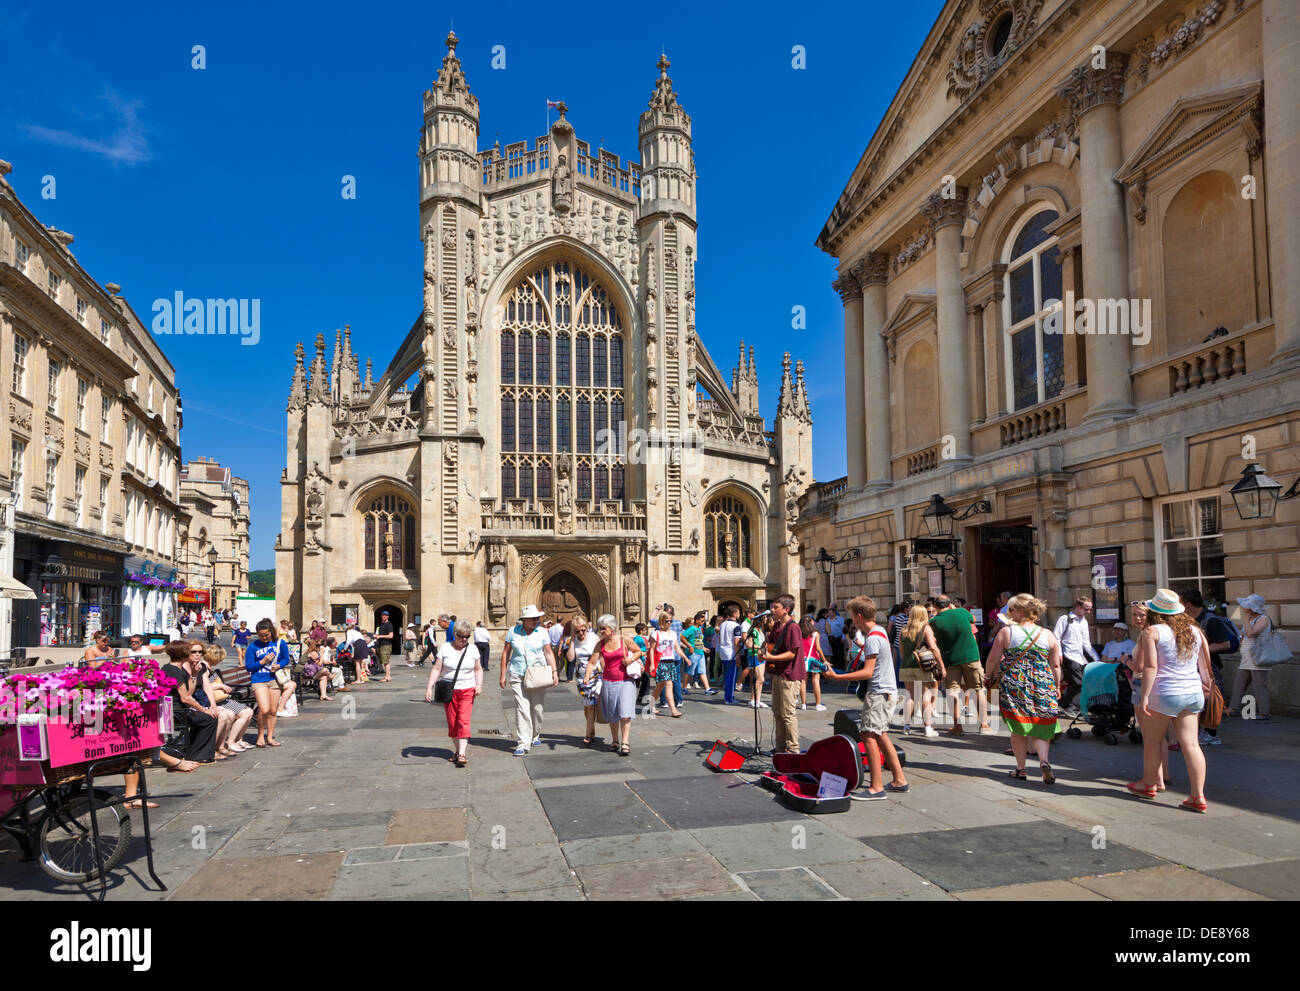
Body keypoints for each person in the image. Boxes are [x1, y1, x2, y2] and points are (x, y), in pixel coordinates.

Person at [1128, 589, 1212, 812]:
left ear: (1155, 611)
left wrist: (1144, 695)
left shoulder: (1152, 632)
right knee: (1191, 744)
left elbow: (1150, 667)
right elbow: (1205, 663)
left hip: (1165, 692)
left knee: (1153, 741)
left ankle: (1148, 784)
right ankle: (1198, 796)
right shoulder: (1194, 630)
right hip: (1192, 692)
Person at [822, 596, 908, 798]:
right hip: (886, 691)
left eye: (852, 617)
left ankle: (876, 787)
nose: (852, 621)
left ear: (859, 616)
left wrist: (839, 676)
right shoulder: (880, 632)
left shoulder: (873, 638)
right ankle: (899, 780)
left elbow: (868, 672)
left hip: (879, 692)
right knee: (880, 734)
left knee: (868, 735)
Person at [984, 595, 1062, 784]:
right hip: (1043, 684)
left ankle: (1021, 769)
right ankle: (1044, 761)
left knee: (1018, 726)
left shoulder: (1006, 633)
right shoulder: (1048, 634)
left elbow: (993, 659)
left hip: (1015, 683)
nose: (1009, 614)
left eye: (1011, 610)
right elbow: (1056, 665)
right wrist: (1057, 685)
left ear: (1020, 612)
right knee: (1041, 724)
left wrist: (987, 676)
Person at [500, 605, 559, 756]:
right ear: (524, 620)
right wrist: (502, 674)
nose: (536, 621)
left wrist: (554, 671)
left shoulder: (542, 632)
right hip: (517, 673)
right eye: (533, 618)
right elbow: (506, 653)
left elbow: (548, 652)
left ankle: (535, 734)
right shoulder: (513, 632)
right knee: (522, 707)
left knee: (537, 708)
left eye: (537, 618)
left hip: (536, 674)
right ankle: (523, 743)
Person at [929, 594, 991, 734]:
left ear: (936, 607)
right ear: (949, 604)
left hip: (950, 660)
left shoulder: (934, 621)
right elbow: (973, 619)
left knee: (952, 691)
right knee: (978, 689)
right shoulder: (962, 612)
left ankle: (957, 726)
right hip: (971, 657)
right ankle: (984, 724)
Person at [426, 618, 482, 767]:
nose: (464, 639)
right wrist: (429, 687)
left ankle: (462, 753)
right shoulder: (445, 648)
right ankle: (457, 751)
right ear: (454, 633)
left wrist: (479, 685)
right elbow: (437, 669)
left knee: (463, 720)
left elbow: (478, 669)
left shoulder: (473, 649)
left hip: (467, 689)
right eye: (460, 636)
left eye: (467, 636)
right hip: (448, 690)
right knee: (452, 723)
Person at [1180, 589, 1233, 746]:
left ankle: (1211, 734)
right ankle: (1196, 732)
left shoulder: (1210, 620)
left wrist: (1200, 649)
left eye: (1181, 602)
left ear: (1188, 604)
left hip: (1209, 667)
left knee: (1209, 700)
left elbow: (1225, 644)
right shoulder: (1186, 619)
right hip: (1191, 666)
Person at [161, 641, 219, 764]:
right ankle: (199, 755)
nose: (194, 654)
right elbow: (185, 698)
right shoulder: (175, 671)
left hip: (176, 709)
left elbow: (189, 693)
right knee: (209, 719)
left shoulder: (171, 668)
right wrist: (203, 709)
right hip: (175, 712)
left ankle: (194, 752)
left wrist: (194, 674)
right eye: (190, 651)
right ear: (183, 654)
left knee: (205, 718)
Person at [591, 615, 642, 755]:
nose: (601, 631)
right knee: (612, 712)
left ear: (612, 628)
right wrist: (586, 676)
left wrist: (631, 659)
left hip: (626, 680)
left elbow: (638, 651)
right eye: (600, 628)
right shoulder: (600, 644)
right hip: (608, 681)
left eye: (603, 628)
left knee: (625, 711)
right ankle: (615, 740)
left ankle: (625, 742)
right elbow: (592, 660)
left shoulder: (624, 639)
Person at [763, 595, 804, 753]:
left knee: (788, 713)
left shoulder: (793, 627)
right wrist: (763, 652)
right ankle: (780, 747)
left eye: (776, 607)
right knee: (777, 712)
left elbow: (792, 653)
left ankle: (793, 749)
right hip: (777, 673)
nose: (772, 610)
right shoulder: (777, 626)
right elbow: (770, 644)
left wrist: (772, 657)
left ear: (786, 610)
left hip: (790, 675)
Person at [898, 603, 944, 737]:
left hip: (906, 666)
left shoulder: (904, 629)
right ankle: (928, 728)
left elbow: (901, 651)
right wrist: (941, 665)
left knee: (910, 696)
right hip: (922, 666)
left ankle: (907, 726)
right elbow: (934, 648)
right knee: (926, 695)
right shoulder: (925, 628)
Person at [1228, 594, 1274, 721]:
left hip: (1258, 658)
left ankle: (1265, 713)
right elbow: (1245, 635)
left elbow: (1251, 633)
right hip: (1247, 658)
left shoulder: (1263, 619)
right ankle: (1234, 708)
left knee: (1259, 685)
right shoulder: (1250, 619)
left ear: (1252, 608)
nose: (1243, 607)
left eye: (1246, 605)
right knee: (1239, 683)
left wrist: (1246, 620)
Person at [245, 618, 290, 747]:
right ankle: (260, 735)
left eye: (266, 635)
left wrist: (279, 665)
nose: (264, 638)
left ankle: (269, 737)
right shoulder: (253, 646)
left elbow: (286, 659)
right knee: (264, 709)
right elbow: (249, 667)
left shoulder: (280, 643)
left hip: (274, 679)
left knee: (273, 710)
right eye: (260, 635)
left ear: (271, 632)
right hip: (259, 679)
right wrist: (262, 662)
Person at [1053, 597, 1099, 715]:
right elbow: (1056, 637)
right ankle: (1065, 703)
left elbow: (1086, 642)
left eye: (1090, 609)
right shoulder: (1065, 619)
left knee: (1077, 682)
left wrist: (1096, 658)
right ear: (1078, 607)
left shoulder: (1084, 621)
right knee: (1079, 682)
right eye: (1086, 609)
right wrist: (1059, 654)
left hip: (1079, 657)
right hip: (1068, 655)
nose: (1088, 612)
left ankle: (1068, 703)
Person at [567, 615, 603, 744]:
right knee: (587, 707)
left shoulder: (594, 638)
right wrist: (571, 640)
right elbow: (570, 658)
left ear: (587, 628)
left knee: (591, 705)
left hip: (596, 676)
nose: (581, 633)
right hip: (581, 678)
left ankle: (588, 735)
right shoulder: (573, 640)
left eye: (583, 630)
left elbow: (602, 656)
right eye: (577, 631)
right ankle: (591, 729)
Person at [651, 612, 687, 718]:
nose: (669, 623)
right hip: (661, 662)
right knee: (669, 684)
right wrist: (652, 664)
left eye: (671, 621)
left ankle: (651, 705)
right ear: (662, 621)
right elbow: (652, 650)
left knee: (660, 685)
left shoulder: (673, 634)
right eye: (667, 621)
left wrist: (685, 657)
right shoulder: (656, 633)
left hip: (670, 661)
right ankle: (673, 710)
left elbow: (677, 648)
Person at [681, 611, 715, 695]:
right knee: (689, 671)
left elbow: (698, 641)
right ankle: (684, 687)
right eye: (702, 621)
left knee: (702, 671)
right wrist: (689, 646)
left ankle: (708, 689)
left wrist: (704, 648)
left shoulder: (699, 629)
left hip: (700, 653)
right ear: (697, 620)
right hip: (693, 654)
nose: (703, 623)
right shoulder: (691, 629)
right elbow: (682, 637)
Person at [799, 614, 828, 711]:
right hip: (814, 659)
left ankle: (803, 704)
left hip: (802, 659)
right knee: (816, 681)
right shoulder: (815, 633)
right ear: (811, 622)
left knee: (803, 682)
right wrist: (824, 660)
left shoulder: (799, 633)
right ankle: (818, 704)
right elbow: (818, 648)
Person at [717, 605, 741, 704]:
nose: (739, 614)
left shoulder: (723, 624)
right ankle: (729, 698)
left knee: (727, 675)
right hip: (731, 653)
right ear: (735, 614)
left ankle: (728, 696)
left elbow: (719, 638)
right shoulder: (736, 626)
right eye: (739, 612)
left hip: (723, 652)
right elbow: (736, 642)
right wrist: (738, 655)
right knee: (731, 677)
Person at [374, 610, 395, 682]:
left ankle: (387, 677)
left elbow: (391, 636)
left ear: (388, 616)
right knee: (384, 661)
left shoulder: (389, 625)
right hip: (381, 644)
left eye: (385, 615)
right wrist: (376, 636)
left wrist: (380, 636)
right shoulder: (380, 625)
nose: (384, 616)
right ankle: (388, 676)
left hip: (386, 645)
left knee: (386, 661)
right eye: (383, 615)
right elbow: (378, 633)